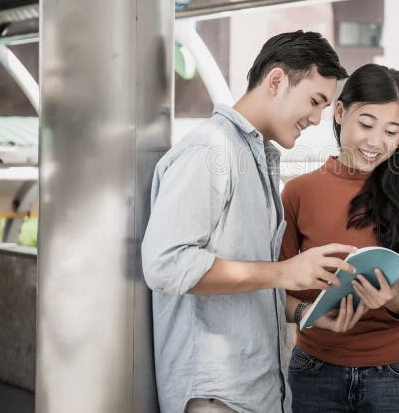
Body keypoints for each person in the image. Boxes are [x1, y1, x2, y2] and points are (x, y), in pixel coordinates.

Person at [142, 31, 364, 413]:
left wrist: (305, 313)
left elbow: (248, 286)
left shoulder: (254, 155)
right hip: (217, 397)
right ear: (276, 81)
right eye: (315, 101)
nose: (316, 118)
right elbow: (165, 264)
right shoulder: (210, 150)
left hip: (251, 393)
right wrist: (285, 272)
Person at [280, 63, 399, 413]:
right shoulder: (297, 193)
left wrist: (394, 301)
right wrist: (312, 312)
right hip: (315, 372)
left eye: (391, 131)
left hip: (395, 377)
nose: (375, 142)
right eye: (366, 124)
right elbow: (277, 294)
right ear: (339, 113)